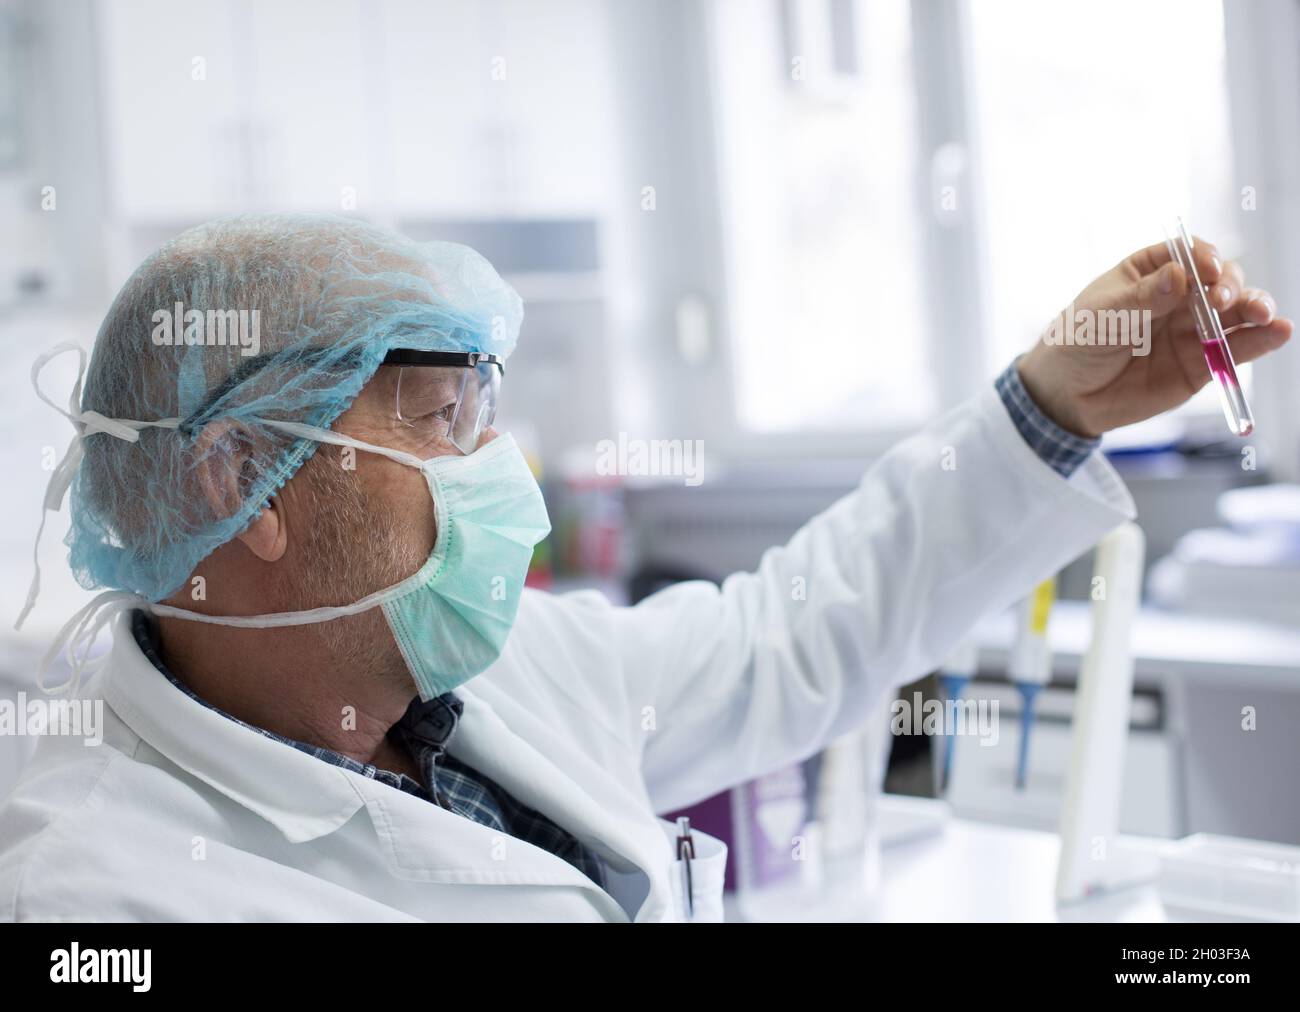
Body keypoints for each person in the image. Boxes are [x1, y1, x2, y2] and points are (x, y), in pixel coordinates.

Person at [0, 215, 1289, 921]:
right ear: (245, 484)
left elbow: (790, 642)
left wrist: (1046, 410)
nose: (501, 462)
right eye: (443, 417)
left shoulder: (489, 677)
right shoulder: (100, 892)